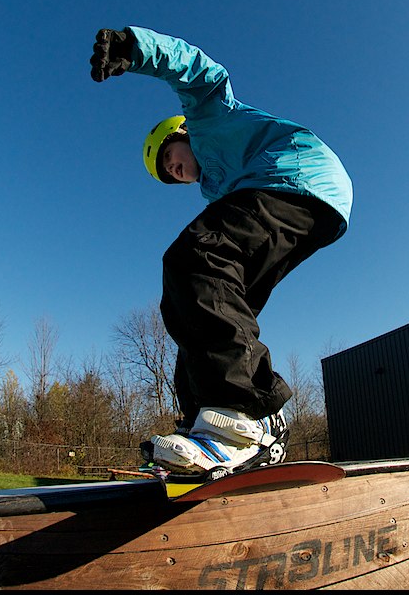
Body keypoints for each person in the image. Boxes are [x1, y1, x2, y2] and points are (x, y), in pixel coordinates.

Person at [89, 27, 353, 478]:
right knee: (192, 308)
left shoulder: (208, 116)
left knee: (194, 258)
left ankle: (242, 420)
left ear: (181, 133)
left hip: (294, 178)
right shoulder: (218, 192)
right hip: (304, 206)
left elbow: (194, 68)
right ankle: (205, 429)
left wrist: (134, 49)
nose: (173, 170)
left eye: (170, 157)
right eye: (168, 175)